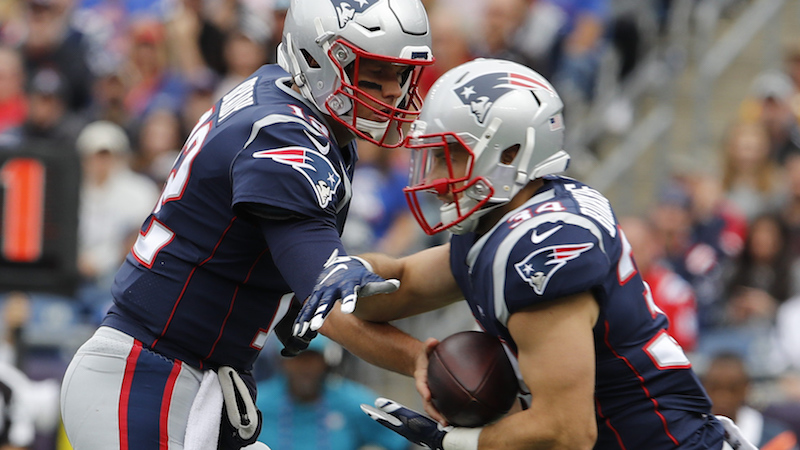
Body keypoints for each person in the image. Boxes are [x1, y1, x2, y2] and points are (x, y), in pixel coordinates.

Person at [294, 58, 756, 449]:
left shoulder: (541, 248)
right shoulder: (507, 220)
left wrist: (458, 442)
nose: (433, 176)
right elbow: (401, 284)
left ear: (511, 152)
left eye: (451, 153)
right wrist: (351, 270)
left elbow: (567, 431)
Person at [59, 0, 434, 448]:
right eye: (373, 70)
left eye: (400, 73)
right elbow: (327, 294)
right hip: (147, 378)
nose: (392, 90)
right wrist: (421, 361)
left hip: (193, 379)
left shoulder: (288, 98)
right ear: (316, 57)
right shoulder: (284, 132)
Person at [255, 336, 408, 450]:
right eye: (297, 358)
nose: (305, 368)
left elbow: (400, 441)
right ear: (282, 362)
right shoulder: (256, 404)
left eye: (312, 358)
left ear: (326, 362)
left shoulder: (352, 402)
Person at [701, 352, 799, 450]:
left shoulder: (776, 439)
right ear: (703, 388)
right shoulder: (693, 434)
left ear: (746, 389)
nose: (723, 397)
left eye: (733, 389)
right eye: (714, 388)